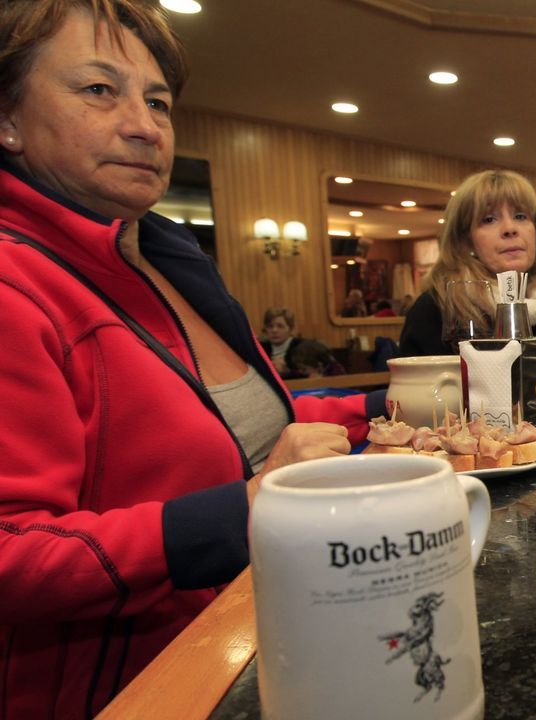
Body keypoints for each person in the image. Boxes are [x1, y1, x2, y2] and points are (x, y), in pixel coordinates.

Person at [0, 3, 382, 714]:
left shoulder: (163, 259)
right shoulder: (13, 282)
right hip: (135, 689)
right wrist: (243, 510)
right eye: (98, 90)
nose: (145, 126)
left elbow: (245, 434)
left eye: (158, 103)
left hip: (247, 633)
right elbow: (12, 550)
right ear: (8, 119)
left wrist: (385, 406)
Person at [398, 169, 536, 382]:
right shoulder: (438, 306)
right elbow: (414, 390)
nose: (510, 229)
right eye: (489, 219)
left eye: (520, 216)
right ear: (465, 240)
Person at [261, 306, 299, 375]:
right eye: (270, 326)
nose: (274, 330)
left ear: (290, 329)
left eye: (280, 326)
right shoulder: (260, 349)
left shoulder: (301, 347)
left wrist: (287, 372)